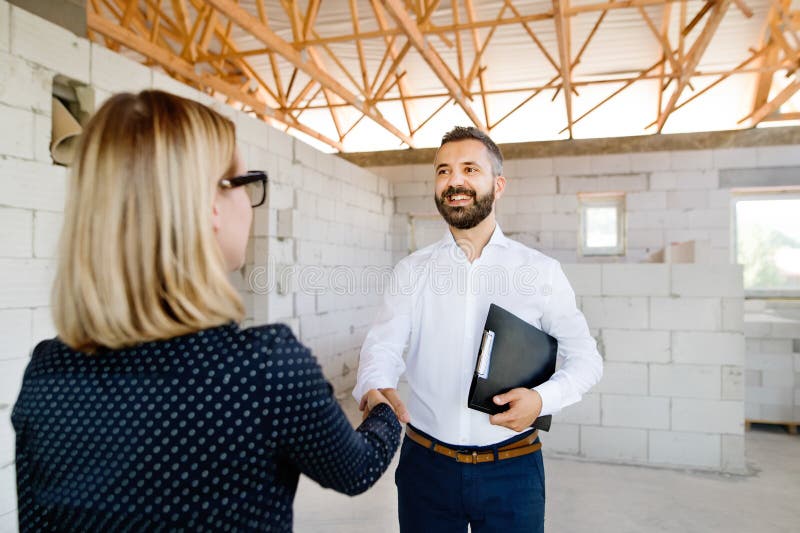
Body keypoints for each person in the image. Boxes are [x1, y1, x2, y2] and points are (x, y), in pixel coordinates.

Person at [12, 90, 400, 532]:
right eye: (244, 182)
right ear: (211, 205)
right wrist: (382, 409)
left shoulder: (47, 371)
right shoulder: (263, 369)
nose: (250, 202)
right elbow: (357, 469)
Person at [354, 126, 603, 532]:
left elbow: (586, 359)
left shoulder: (539, 272)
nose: (454, 181)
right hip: (425, 470)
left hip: (513, 471)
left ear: (498, 184)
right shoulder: (412, 271)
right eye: (443, 171)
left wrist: (543, 399)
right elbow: (381, 347)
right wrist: (373, 384)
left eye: (470, 169)